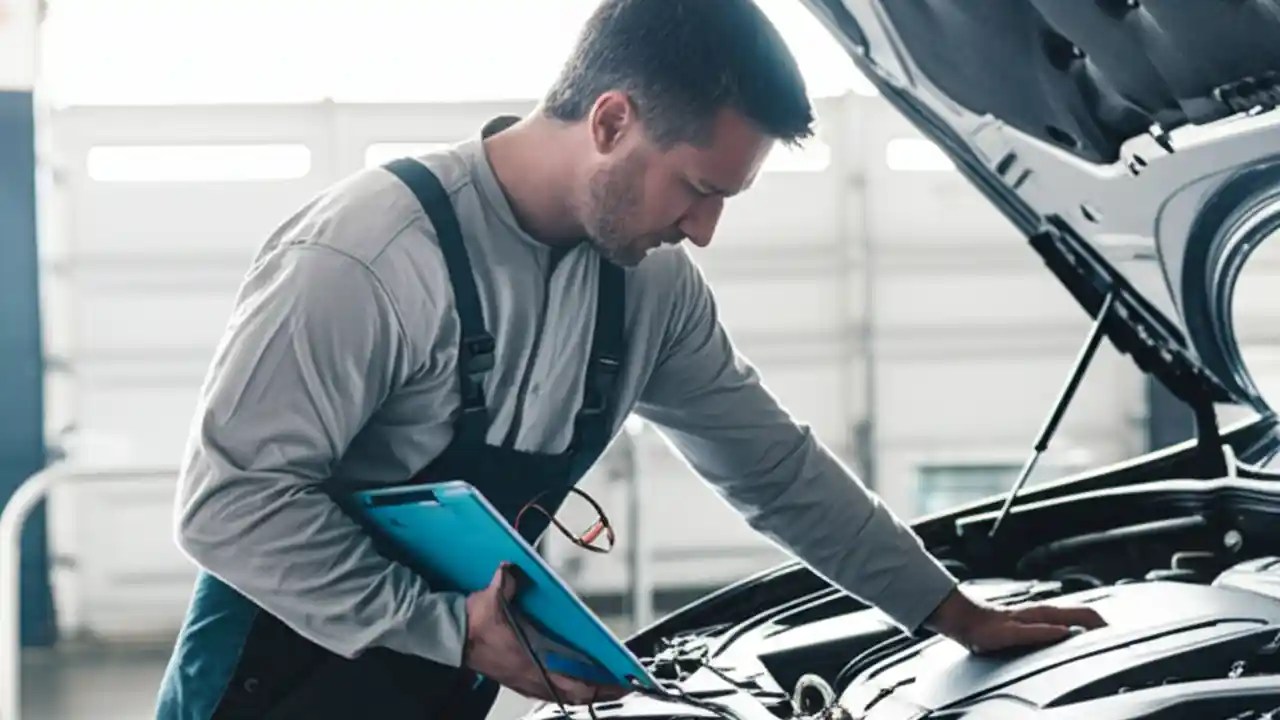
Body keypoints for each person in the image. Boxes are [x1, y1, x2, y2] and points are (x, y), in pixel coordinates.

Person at [155, 1, 1105, 718]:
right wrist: (449, 629)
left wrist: (951, 615)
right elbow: (228, 505)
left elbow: (773, 469)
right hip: (263, 686)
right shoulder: (366, 258)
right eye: (696, 188)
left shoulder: (647, 288)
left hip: (443, 688)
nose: (704, 230)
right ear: (610, 121)